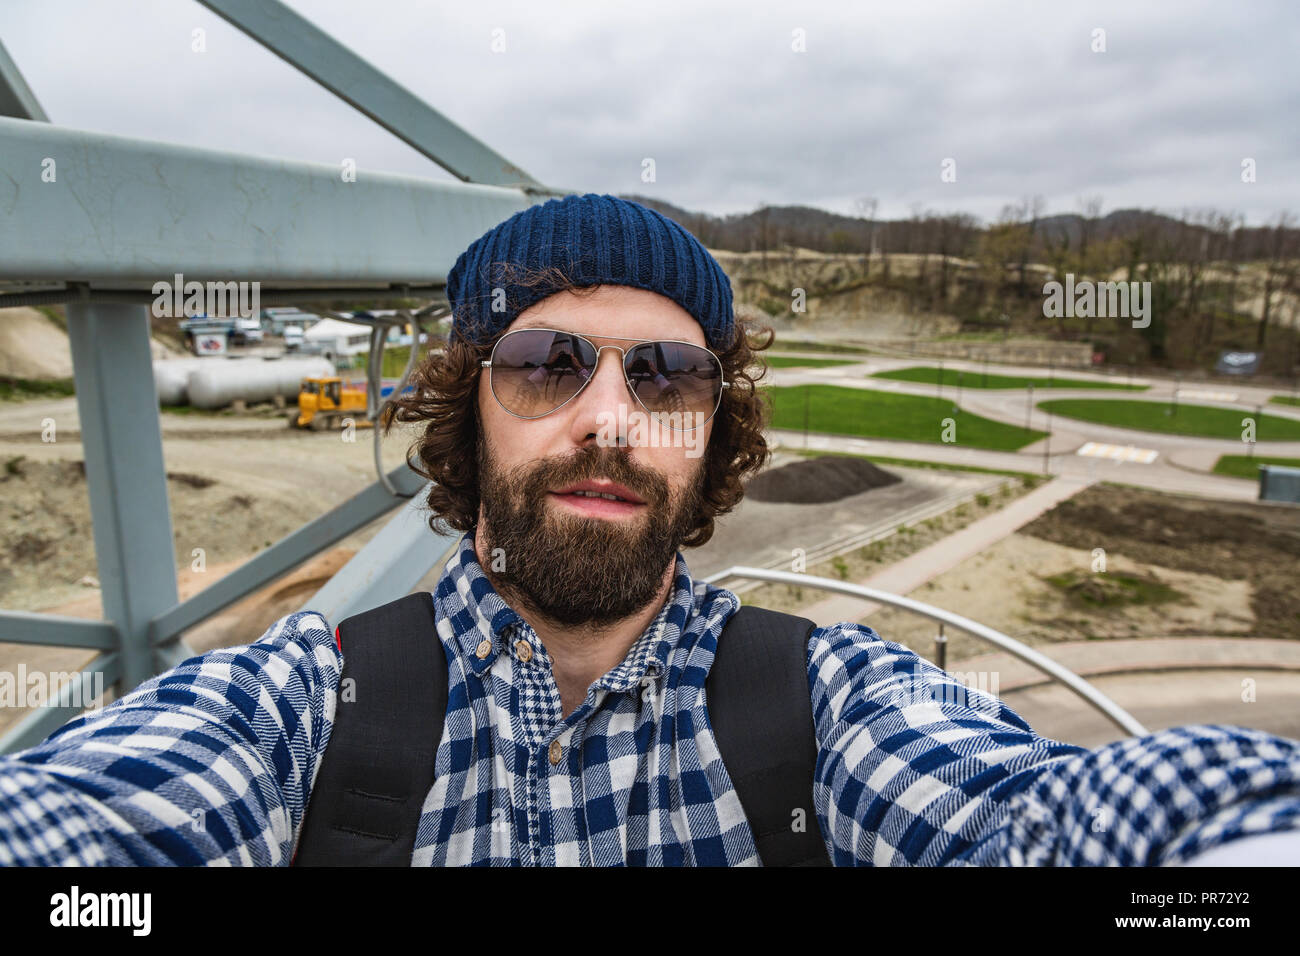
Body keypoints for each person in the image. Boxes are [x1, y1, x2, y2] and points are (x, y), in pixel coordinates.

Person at [2, 193, 1298, 866]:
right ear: (466, 418)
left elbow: (1039, 820)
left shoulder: (821, 703)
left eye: (667, 378)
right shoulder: (305, 704)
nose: (609, 421)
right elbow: (96, 824)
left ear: (712, 430)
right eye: (549, 365)